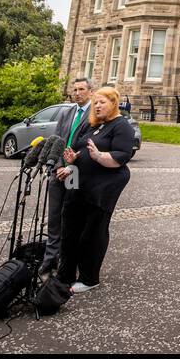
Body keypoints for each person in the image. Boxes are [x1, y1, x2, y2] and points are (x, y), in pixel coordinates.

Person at [54, 85, 135, 293]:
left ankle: (89, 278)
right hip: (77, 182)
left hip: (102, 187)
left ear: (113, 103)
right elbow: (79, 151)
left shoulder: (121, 126)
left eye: (102, 102)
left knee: (92, 232)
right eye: (96, 102)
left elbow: (121, 157)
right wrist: (71, 163)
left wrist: (99, 156)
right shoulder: (92, 126)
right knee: (69, 228)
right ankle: (65, 274)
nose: (97, 106)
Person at [39, 77, 93, 276]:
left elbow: (88, 145)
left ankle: (67, 263)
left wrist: (71, 166)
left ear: (90, 91)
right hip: (58, 170)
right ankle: (48, 261)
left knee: (70, 219)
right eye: (75, 89)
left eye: (81, 89)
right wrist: (58, 165)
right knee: (53, 218)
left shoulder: (93, 114)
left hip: (76, 172)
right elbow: (59, 140)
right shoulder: (66, 112)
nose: (77, 93)